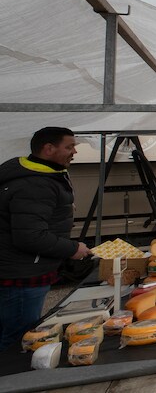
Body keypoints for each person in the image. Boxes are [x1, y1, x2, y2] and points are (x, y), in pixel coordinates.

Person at [0, 127, 90, 351]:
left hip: (19, 270)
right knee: (18, 337)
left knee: (11, 329)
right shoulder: (35, 184)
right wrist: (72, 248)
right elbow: (30, 237)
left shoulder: (37, 174)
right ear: (48, 148)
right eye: (69, 147)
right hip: (22, 274)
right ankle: (12, 381)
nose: (74, 152)